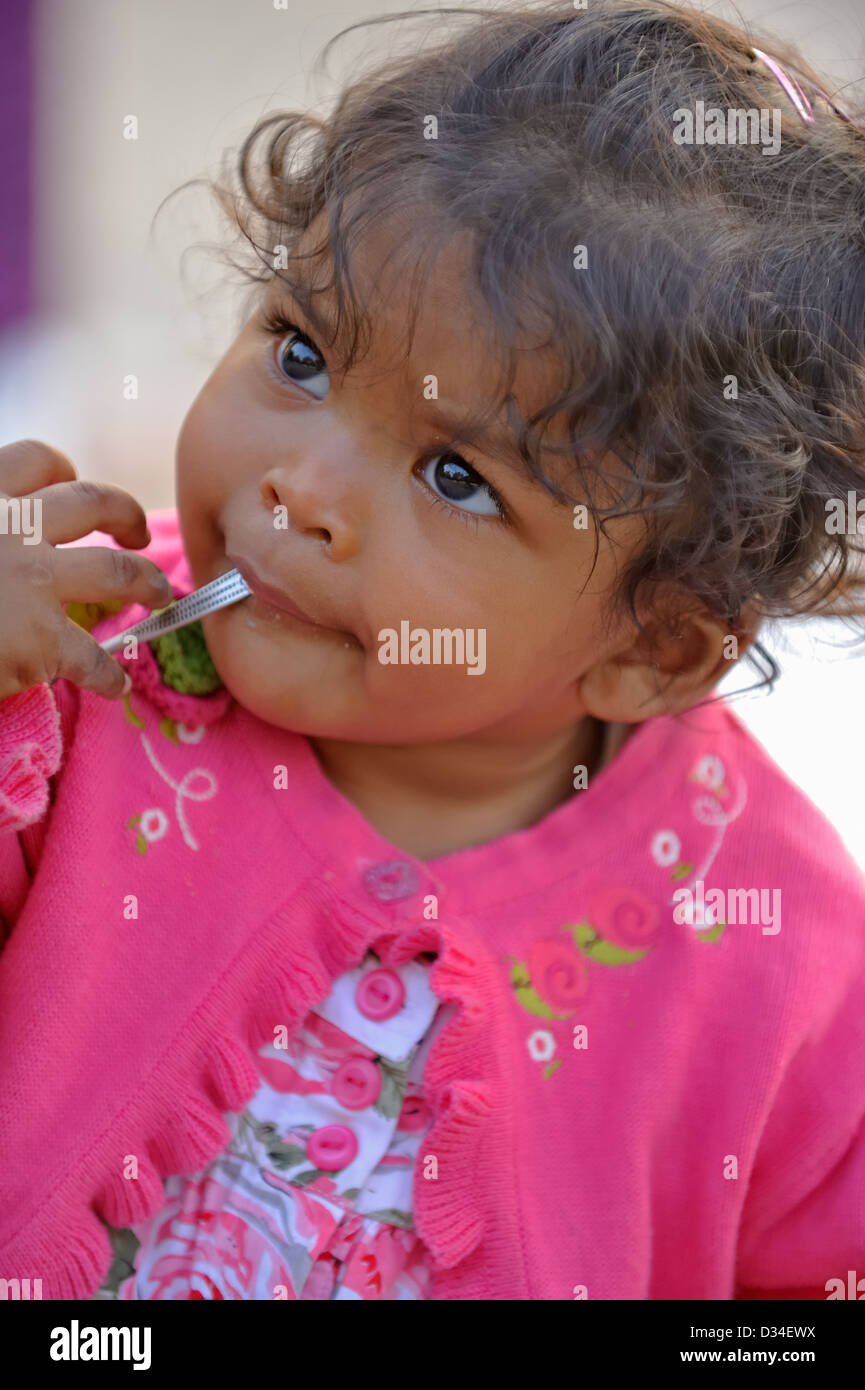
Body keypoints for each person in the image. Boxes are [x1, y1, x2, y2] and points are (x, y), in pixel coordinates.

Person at [1, 0, 864, 1300]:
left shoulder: (775, 961)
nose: (298, 487)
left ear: (655, 641)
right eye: (300, 350)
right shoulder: (74, 686)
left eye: (456, 475)